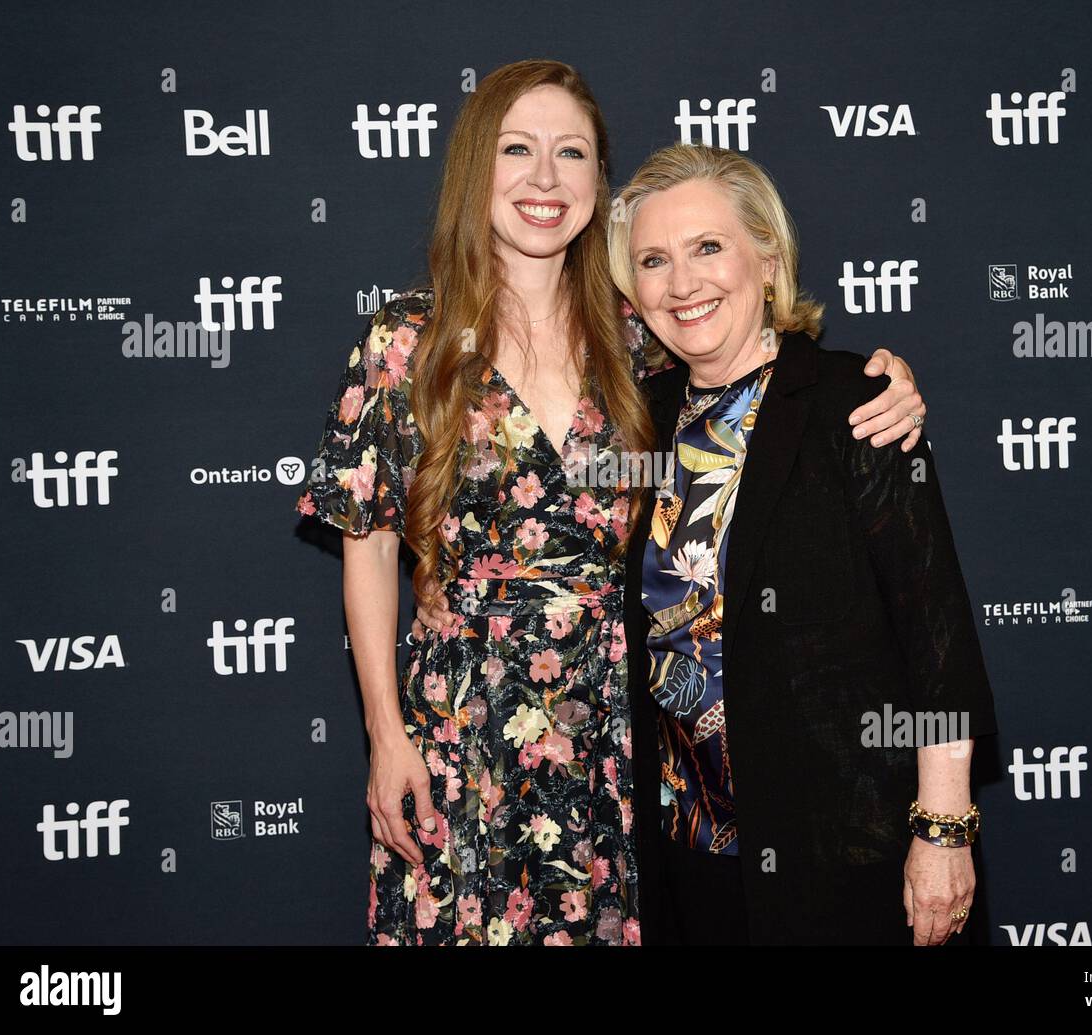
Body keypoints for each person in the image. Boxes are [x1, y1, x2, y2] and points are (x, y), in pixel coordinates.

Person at [297, 61, 926, 946]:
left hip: (628, 738)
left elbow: (764, 377)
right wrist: (386, 736)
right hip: (463, 732)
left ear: (600, 182)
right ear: (477, 169)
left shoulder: (643, 339)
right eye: (518, 150)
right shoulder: (407, 341)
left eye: (573, 153)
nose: (545, 178)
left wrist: (884, 378)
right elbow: (367, 544)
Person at [607, 144, 1000, 946]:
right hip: (690, 860)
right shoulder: (633, 423)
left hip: (848, 857)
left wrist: (945, 828)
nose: (682, 283)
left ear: (768, 257)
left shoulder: (857, 404)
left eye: (708, 247)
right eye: (653, 260)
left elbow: (938, 634)